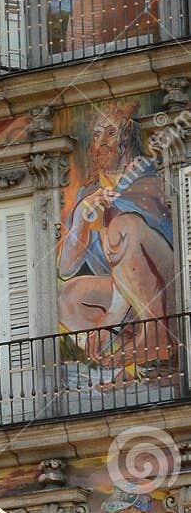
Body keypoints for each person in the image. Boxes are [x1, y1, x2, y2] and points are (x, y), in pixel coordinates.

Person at [58, 109, 174, 374]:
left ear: (128, 141)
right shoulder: (89, 192)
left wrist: (108, 322)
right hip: (127, 303)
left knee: (124, 226)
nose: (101, 142)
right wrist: (80, 219)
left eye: (111, 133)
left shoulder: (147, 179)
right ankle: (134, 355)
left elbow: (128, 254)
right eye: (97, 135)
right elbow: (65, 268)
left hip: (168, 289)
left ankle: (156, 334)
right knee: (67, 297)